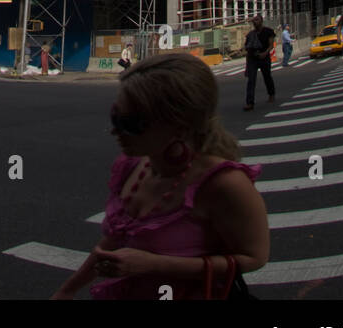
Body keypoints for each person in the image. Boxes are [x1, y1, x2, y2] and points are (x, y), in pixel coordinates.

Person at [50, 52, 269, 300]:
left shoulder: (224, 184)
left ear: (180, 126)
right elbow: (112, 241)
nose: (116, 131)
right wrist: (67, 290)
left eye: (133, 123)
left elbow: (254, 258)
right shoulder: (131, 167)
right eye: (116, 116)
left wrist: (155, 264)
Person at [243, 14, 275, 110]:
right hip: (253, 58)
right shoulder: (250, 35)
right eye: (254, 20)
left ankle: (271, 94)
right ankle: (250, 102)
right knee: (251, 80)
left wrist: (265, 53)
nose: (255, 22)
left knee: (267, 76)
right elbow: (248, 51)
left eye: (257, 20)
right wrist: (247, 67)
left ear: (261, 21)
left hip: (264, 58)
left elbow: (271, 45)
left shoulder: (268, 31)